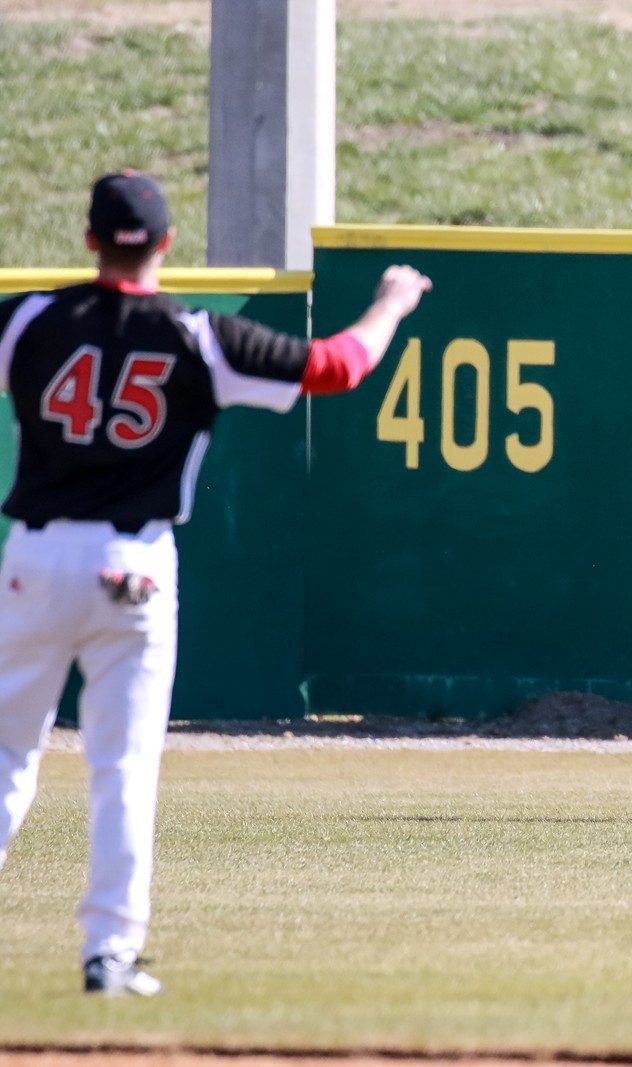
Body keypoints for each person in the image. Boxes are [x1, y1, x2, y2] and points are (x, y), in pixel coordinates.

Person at [0, 170, 431, 997]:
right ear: (166, 242)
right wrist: (392, 303)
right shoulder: (197, 336)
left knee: (10, 756)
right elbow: (339, 365)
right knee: (122, 767)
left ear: (90, 239)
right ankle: (109, 955)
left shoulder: (28, 318)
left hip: (34, 559)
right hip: (135, 565)